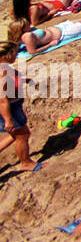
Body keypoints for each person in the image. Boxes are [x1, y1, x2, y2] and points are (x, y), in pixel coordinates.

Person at [0, 42, 37, 171]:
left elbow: (15, 78)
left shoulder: (6, 68)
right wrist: (8, 119)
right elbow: (2, 100)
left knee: (16, 134)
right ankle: (25, 162)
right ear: (4, 56)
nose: (16, 55)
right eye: (14, 53)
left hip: (14, 106)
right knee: (22, 135)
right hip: (8, 109)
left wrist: (26, 80)